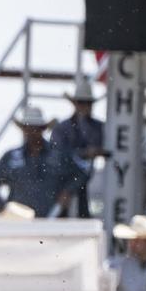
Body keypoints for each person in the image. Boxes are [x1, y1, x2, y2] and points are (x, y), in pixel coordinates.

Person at [0, 105, 88, 218]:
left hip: (51, 219)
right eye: (27, 128)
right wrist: (1, 206)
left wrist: (67, 192)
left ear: (42, 129)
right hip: (19, 221)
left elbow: (81, 174)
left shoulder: (59, 155)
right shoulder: (11, 157)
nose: (31, 132)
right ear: (23, 129)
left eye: (35, 128)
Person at [50, 82, 106, 218]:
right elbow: (57, 154)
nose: (85, 106)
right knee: (62, 215)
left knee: (83, 212)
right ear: (75, 103)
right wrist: (84, 153)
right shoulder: (62, 128)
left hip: (86, 179)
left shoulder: (99, 127)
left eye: (88, 103)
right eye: (81, 102)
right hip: (64, 179)